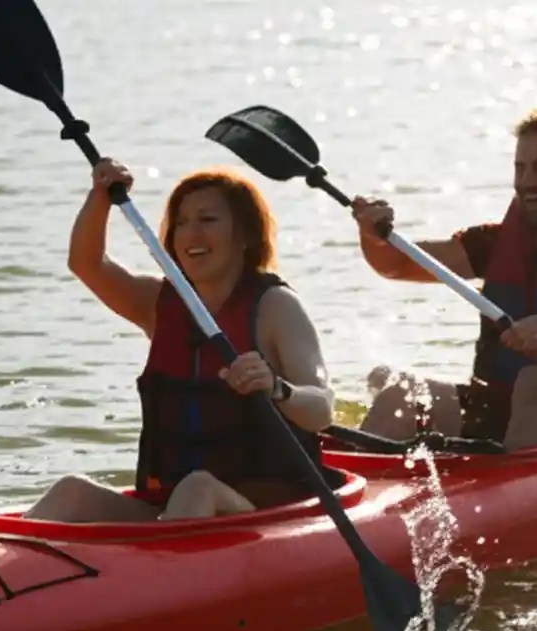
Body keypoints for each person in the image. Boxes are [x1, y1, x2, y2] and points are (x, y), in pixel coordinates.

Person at [25, 159, 338, 523]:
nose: (191, 234)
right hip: (172, 513)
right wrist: (100, 197)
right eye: (182, 223)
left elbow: (321, 408)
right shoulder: (158, 304)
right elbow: (86, 264)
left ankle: (159, 574)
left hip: (267, 513)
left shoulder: (276, 307)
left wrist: (276, 387)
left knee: (198, 487)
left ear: (246, 235)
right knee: (71, 493)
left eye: (207, 220)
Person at [350, 105, 537, 451]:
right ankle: (345, 498)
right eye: (520, 167)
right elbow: (395, 264)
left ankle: (522, 494)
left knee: (536, 383)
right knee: (399, 393)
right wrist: (373, 235)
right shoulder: (498, 242)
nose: (527, 181)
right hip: (498, 405)